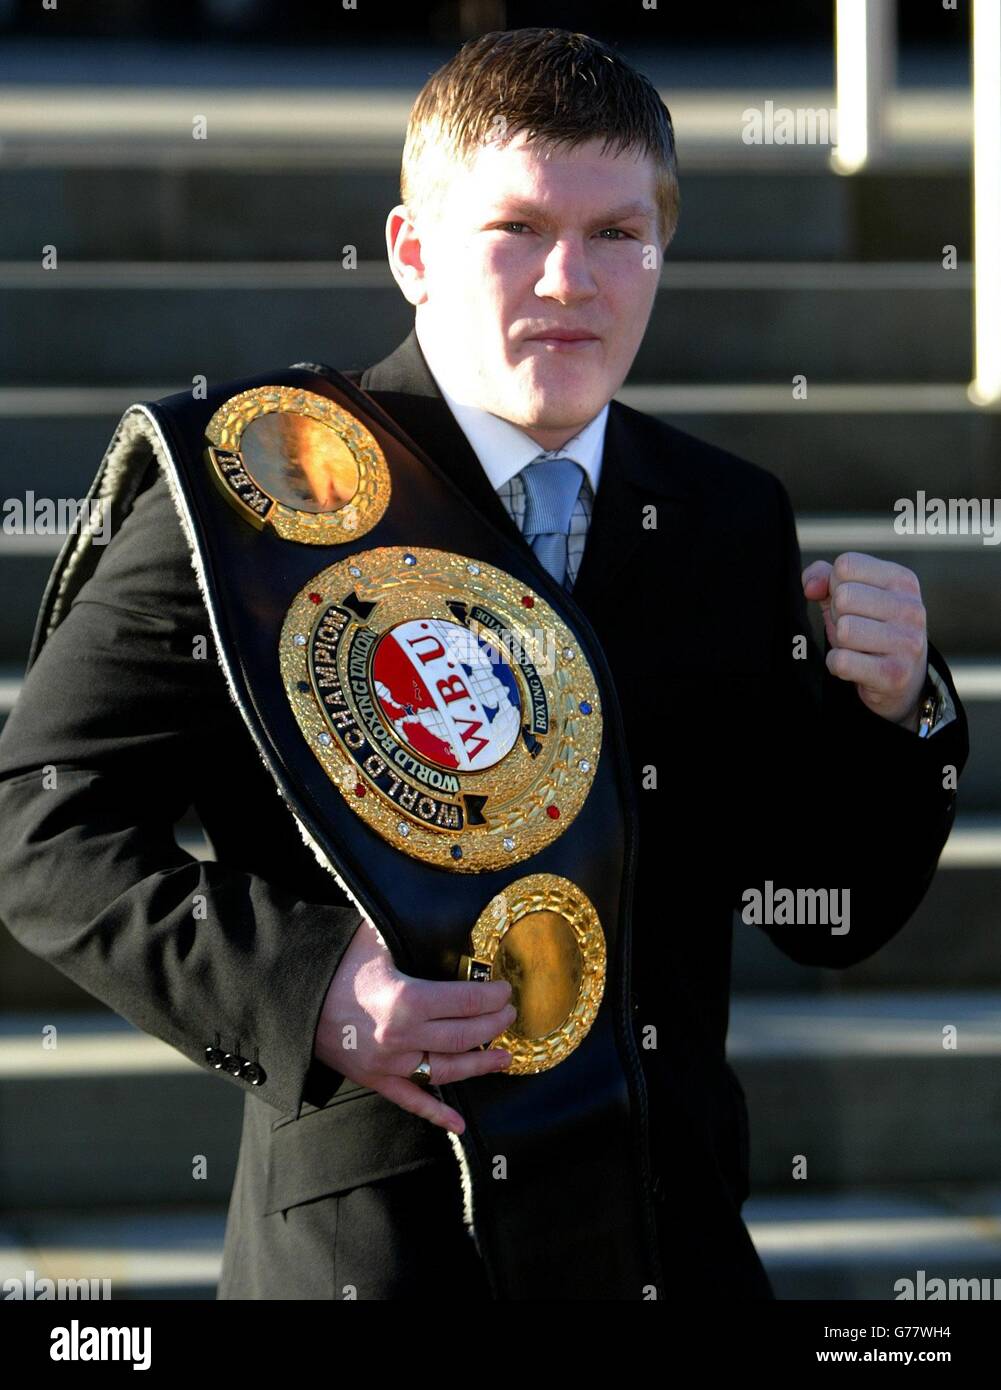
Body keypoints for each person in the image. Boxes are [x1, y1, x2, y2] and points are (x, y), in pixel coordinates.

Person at [0, 27, 969, 1301]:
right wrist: (306, 988)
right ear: (411, 253)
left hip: (668, 1256)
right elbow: (36, 821)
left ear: (659, 253)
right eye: (517, 229)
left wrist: (898, 715)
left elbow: (827, 906)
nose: (570, 279)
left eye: (617, 233)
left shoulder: (726, 515)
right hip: (376, 1258)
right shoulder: (259, 486)